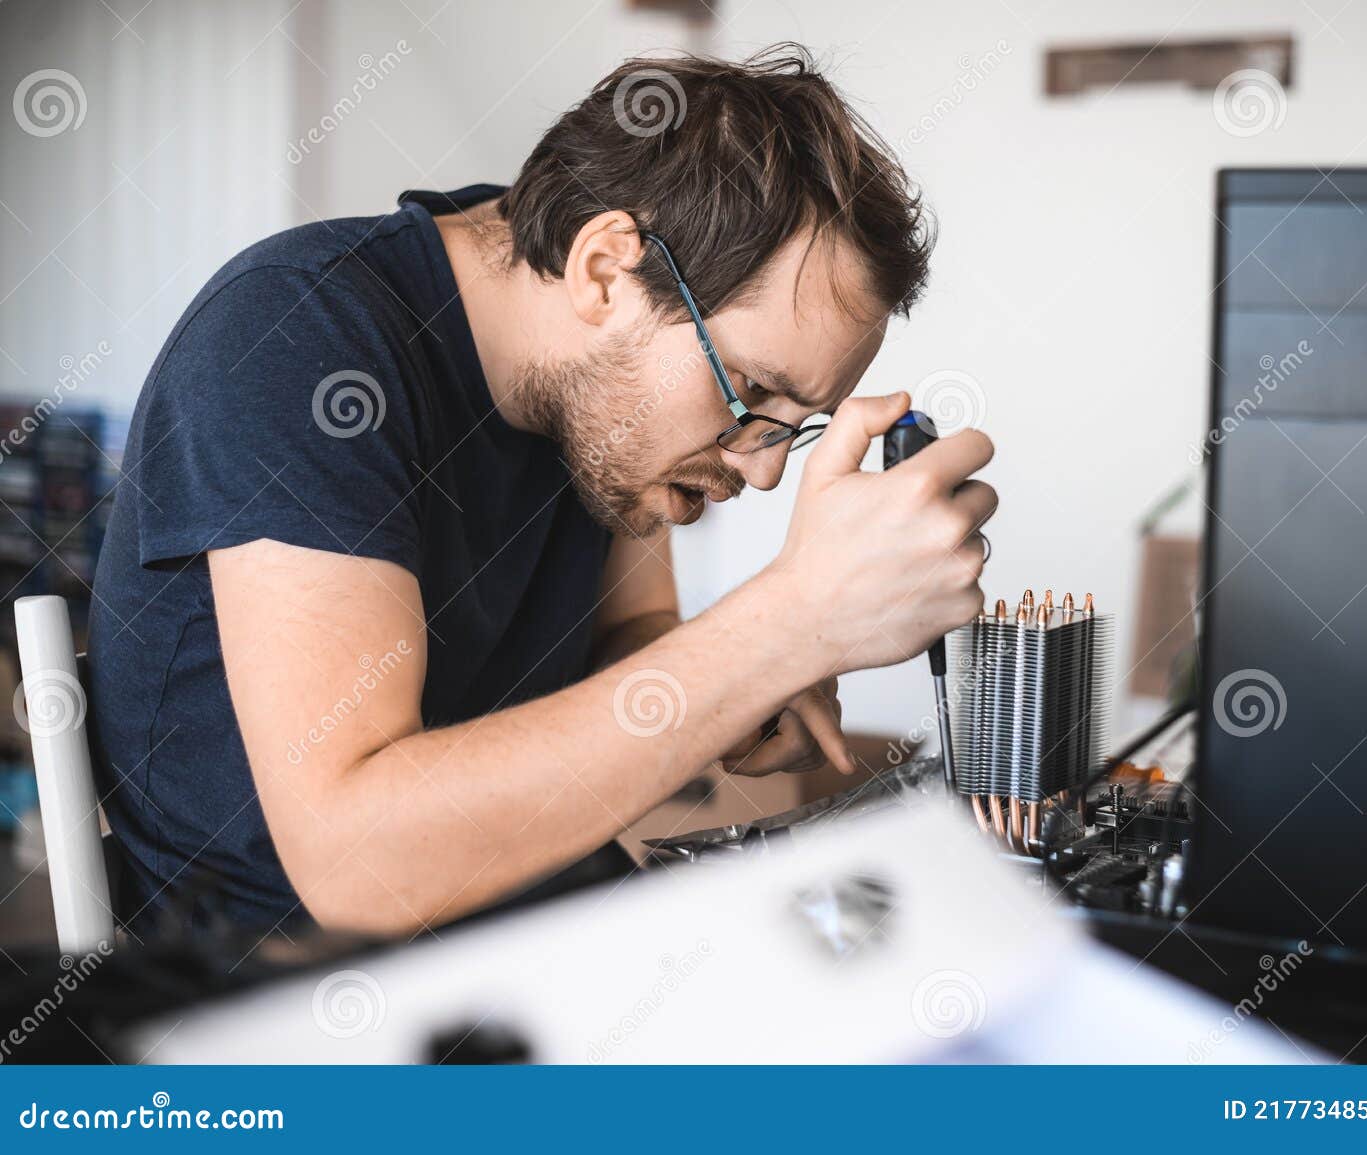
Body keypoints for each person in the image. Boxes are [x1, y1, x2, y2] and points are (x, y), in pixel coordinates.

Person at [89, 46, 994, 938]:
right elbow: (357, 860)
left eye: (794, 421)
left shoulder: (585, 391)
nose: (761, 469)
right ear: (605, 271)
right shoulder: (298, 336)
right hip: (284, 992)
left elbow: (631, 640)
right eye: (752, 390)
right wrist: (784, 626)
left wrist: (745, 689)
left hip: (536, 920)